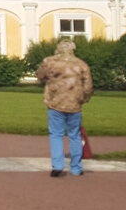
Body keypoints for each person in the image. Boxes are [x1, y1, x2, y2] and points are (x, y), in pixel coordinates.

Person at [34, 38, 93, 177]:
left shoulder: (49, 62)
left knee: (56, 134)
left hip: (55, 102)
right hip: (74, 104)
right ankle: (76, 168)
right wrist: (83, 99)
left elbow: (40, 76)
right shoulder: (82, 65)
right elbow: (88, 86)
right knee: (75, 136)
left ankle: (58, 165)